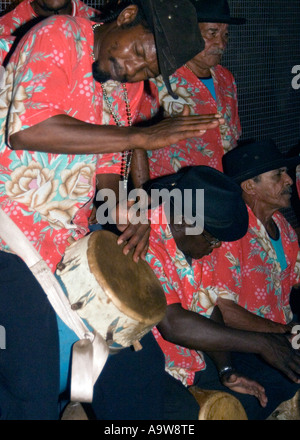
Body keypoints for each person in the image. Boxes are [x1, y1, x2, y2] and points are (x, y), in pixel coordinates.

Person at [0, 0, 224, 420]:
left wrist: (124, 212)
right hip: (9, 238)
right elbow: (27, 130)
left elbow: (106, 170)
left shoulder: (124, 86)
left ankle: (78, 404)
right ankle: (57, 402)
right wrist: (141, 138)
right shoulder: (61, 33)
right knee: (32, 386)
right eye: (138, 53)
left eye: (146, 71)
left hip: (65, 244)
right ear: (124, 17)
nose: (133, 70)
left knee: (130, 366)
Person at [145, 165, 300, 420]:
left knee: (275, 383)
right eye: (213, 239)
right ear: (185, 221)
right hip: (149, 363)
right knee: (187, 415)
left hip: (194, 360)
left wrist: (226, 369)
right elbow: (173, 324)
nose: (215, 247)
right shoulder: (145, 239)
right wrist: (262, 343)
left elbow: (209, 307)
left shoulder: (197, 244)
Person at [131, 0, 245, 187]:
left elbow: (233, 137)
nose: (221, 43)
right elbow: (135, 142)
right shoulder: (157, 77)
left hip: (220, 193)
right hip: (173, 195)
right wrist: (145, 197)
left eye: (226, 35)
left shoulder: (226, 79)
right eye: (212, 33)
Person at [201, 139, 300, 334]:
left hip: (282, 330)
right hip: (248, 344)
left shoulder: (281, 224)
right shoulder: (231, 234)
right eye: (277, 175)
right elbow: (225, 311)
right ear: (249, 187)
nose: (288, 180)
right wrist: (284, 332)